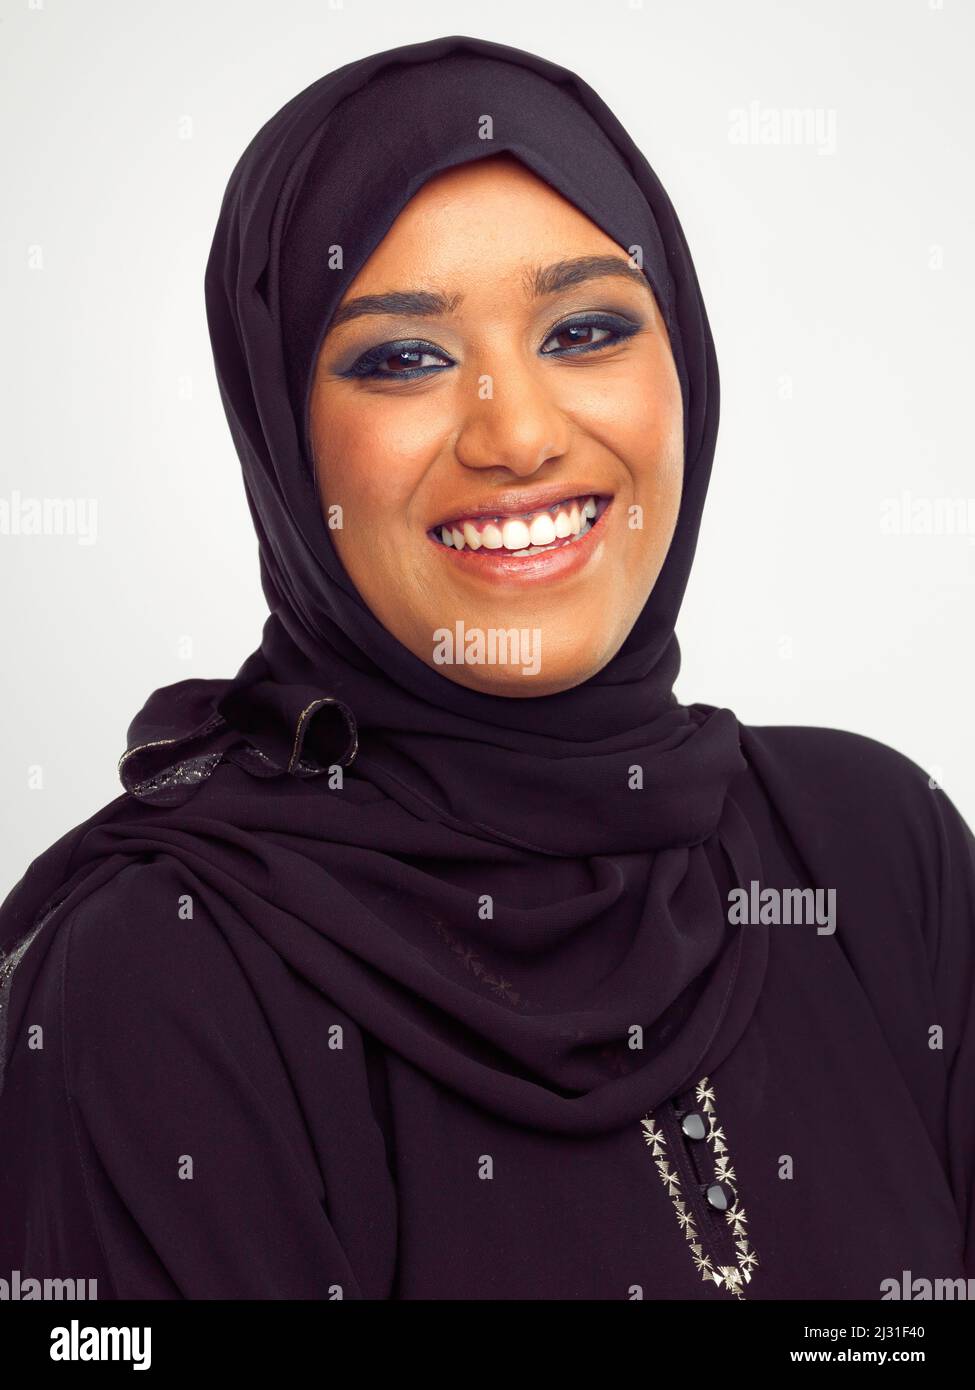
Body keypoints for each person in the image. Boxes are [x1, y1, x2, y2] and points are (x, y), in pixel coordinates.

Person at [0, 34, 972, 1301]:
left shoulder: (873, 852)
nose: (518, 434)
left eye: (585, 329)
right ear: (282, 437)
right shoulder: (161, 978)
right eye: (403, 356)